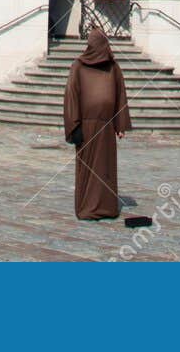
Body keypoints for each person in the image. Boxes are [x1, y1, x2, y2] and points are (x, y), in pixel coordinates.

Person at [63, 27, 131, 220]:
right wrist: (73, 125)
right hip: (85, 126)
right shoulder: (78, 66)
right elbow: (72, 95)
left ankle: (106, 207)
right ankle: (87, 207)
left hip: (106, 126)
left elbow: (120, 95)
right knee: (89, 168)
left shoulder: (113, 68)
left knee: (105, 168)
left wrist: (120, 125)